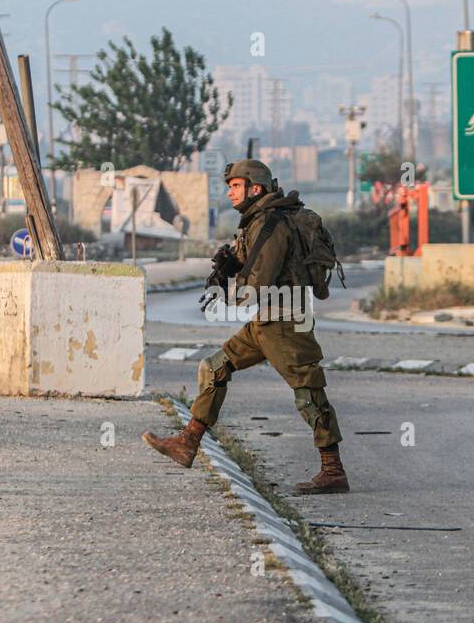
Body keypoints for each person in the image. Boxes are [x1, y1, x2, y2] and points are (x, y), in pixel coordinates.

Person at [141, 159, 348, 494]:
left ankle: (333, 469)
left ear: (256, 188)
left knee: (308, 392)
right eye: (230, 186)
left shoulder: (270, 223)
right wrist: (233, 262)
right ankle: (188, 442)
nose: (229, 192)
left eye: (236, 186)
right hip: (265, 322)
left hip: (285, 322)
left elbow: (258, 281)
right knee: (214, 368)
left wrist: (234, 285)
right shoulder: (258, 222)